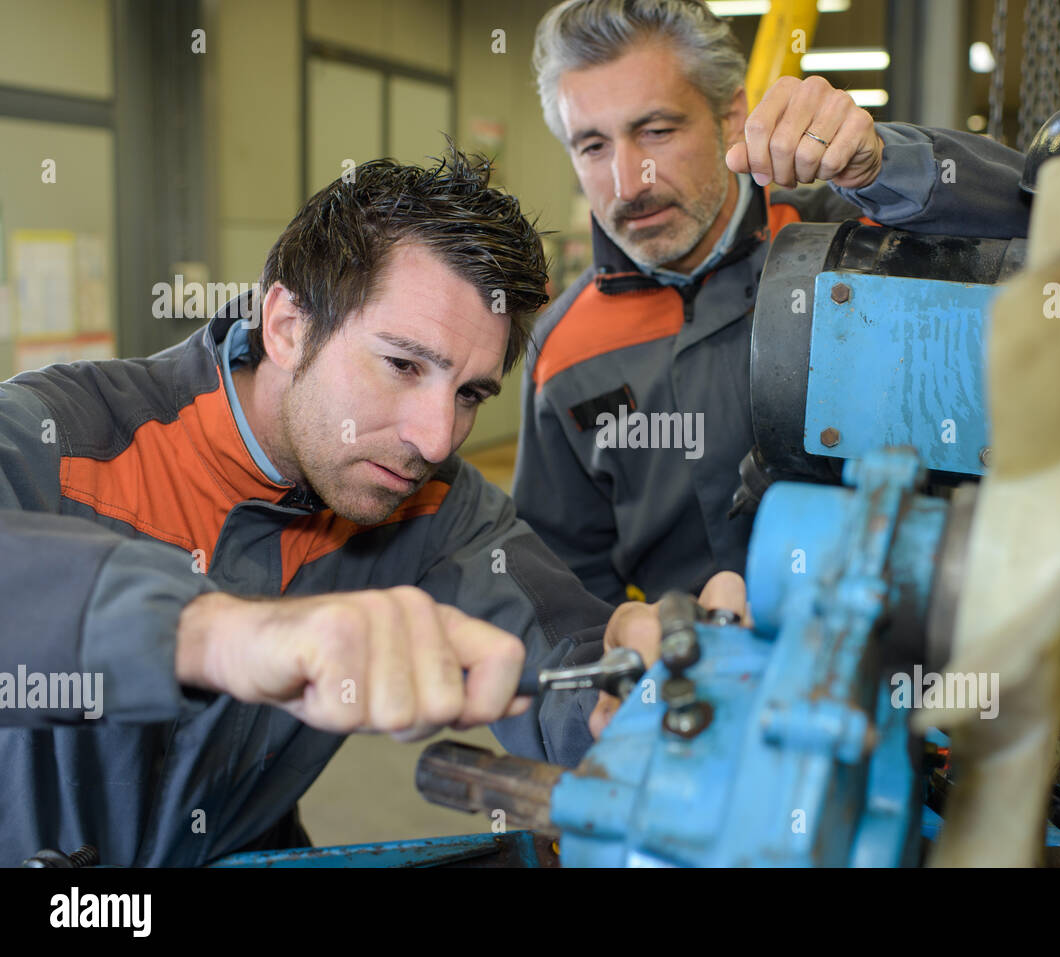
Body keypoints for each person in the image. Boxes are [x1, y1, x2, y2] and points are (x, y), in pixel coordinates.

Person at [0, 150, 741, 867]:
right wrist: (215, 633)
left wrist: (634, 692)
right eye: (403, 365)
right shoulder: (58, 435)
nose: (434, 436)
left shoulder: (436, 507)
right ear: (289, 325)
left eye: (470, 393)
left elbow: (559, 660)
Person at [515, 0, 1031, 616]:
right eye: (593, 145)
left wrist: (884, 163)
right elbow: (562, 586)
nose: (629, 182)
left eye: (656, 131)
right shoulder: (564, 349)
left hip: (903, 657)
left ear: (731, 115)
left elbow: (1036, 214)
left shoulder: (853, 238)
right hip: (691, 689)